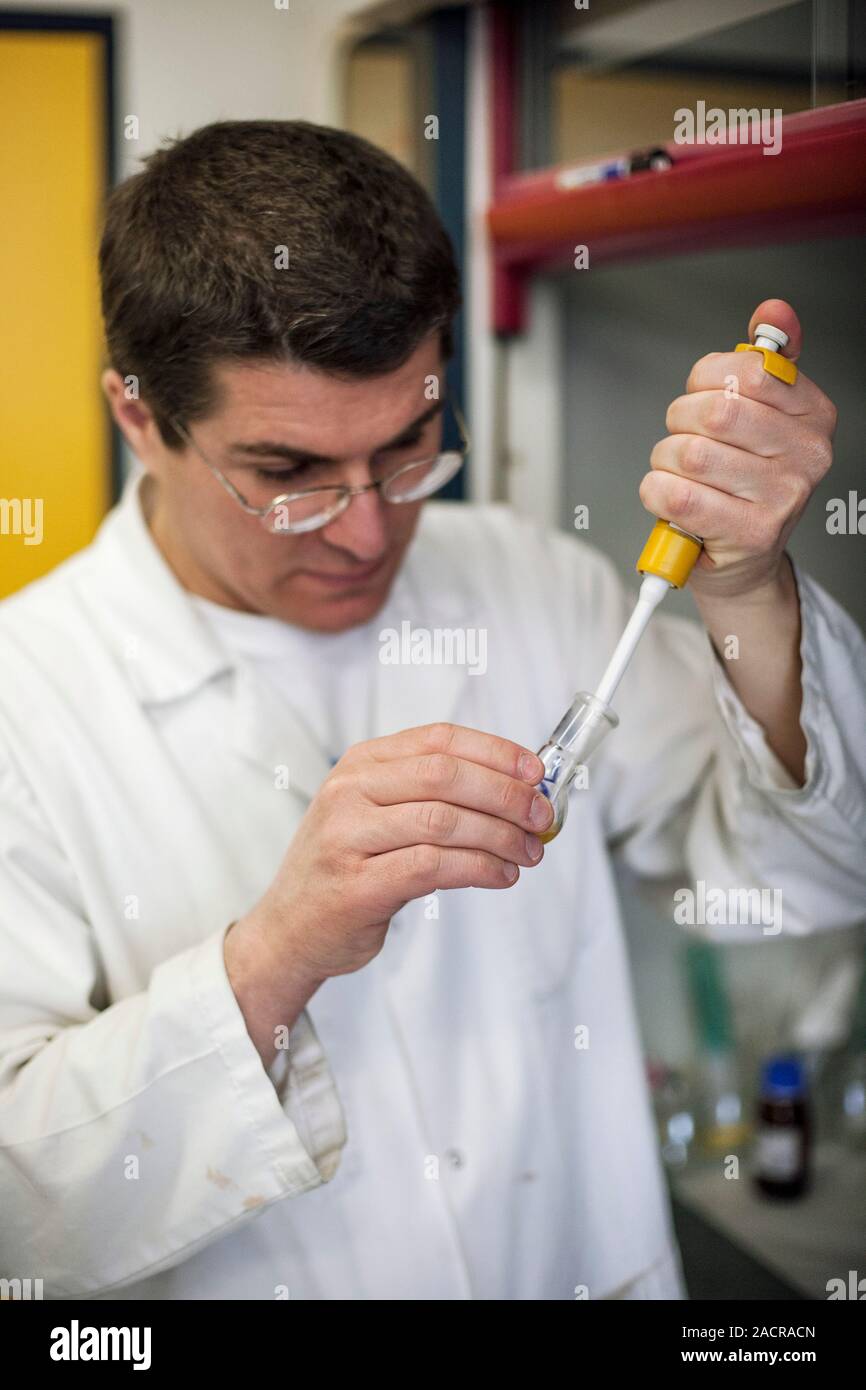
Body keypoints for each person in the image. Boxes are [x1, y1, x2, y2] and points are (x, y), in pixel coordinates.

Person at [0, 121, 863, 1301]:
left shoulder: (523, 579)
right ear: (141, 417)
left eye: (410, 446)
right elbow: (15, 1213)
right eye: (288, 476)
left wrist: (745, 582)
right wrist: (275, 953)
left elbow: (808, 872)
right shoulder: (28, 695)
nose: (366, 531)